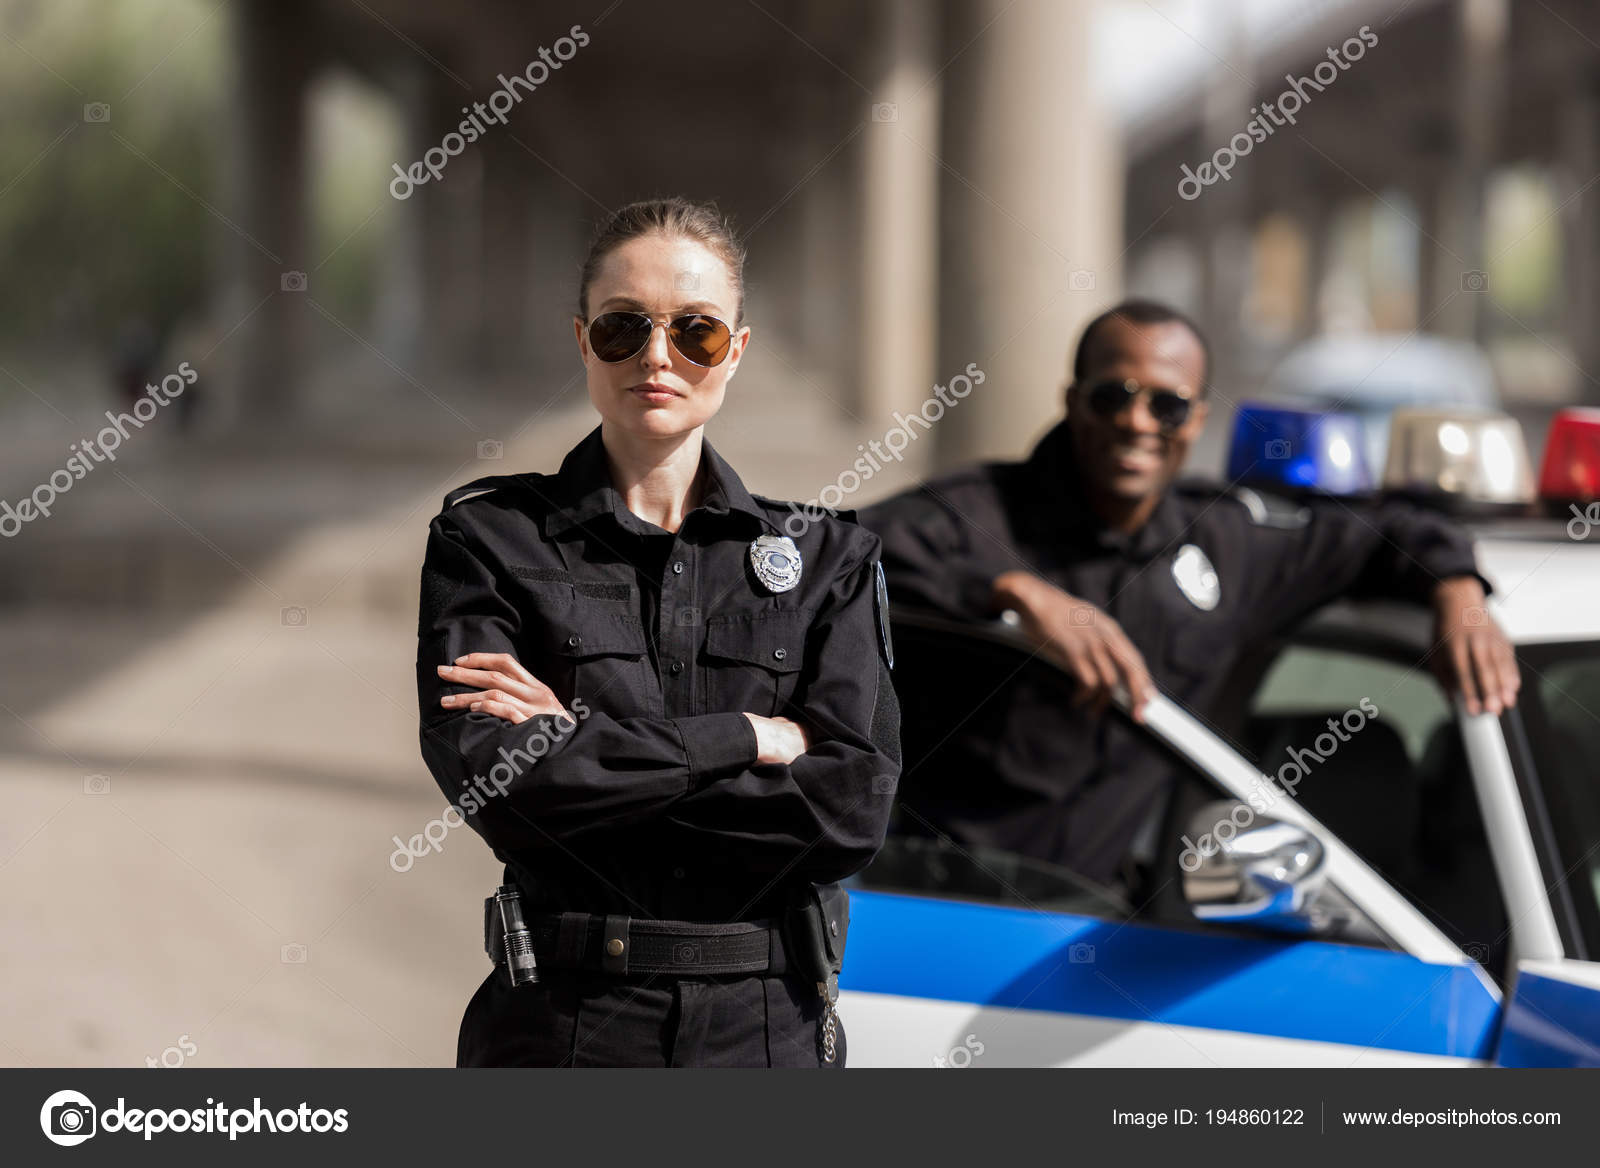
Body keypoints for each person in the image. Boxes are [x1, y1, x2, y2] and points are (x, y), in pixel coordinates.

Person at [415, 198, 899, 1068]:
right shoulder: (489, 542)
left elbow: (850, 813)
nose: (656, 357)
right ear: (581, 338)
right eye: (622, 328)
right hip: (559, 1031)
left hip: (766, 1033)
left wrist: (579, 749)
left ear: (737, 349)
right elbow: (497, 781)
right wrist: (747, 736)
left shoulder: (828, 560)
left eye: (697, 333)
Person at [860, 298, 1519, 889]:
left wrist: (1459, 595)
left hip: (1097, 921)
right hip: (934, 901)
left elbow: (1389, 532)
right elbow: (840, 555)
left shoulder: (1229, 541)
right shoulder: (975, 514)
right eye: (1112, 396)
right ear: (1072, 400)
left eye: (1167, 404)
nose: (1137, 421)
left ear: (1198, 418)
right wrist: (1011, 590)